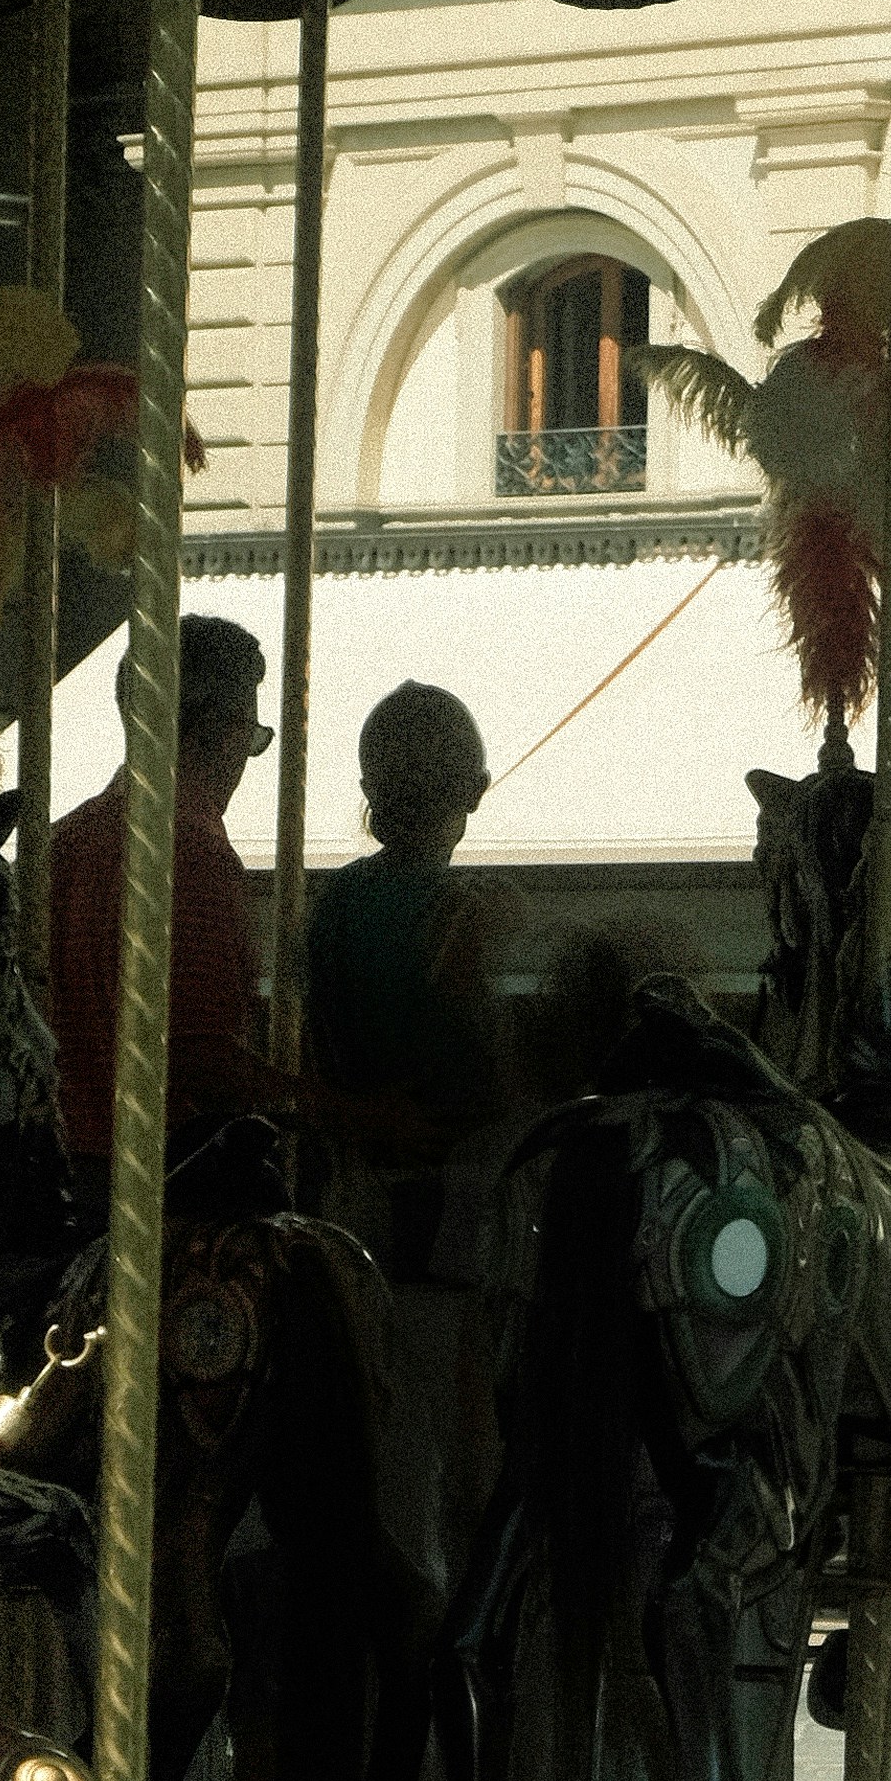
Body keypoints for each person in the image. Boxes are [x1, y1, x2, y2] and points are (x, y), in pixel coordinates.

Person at [303, 683, 508, 1606]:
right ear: (470, 790)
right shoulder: (460, 915)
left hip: (349, 1197)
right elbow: (476, 1066)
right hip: (450, 1207)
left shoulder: (337, 903)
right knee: (450, 1451)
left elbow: (320, 1045)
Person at [45, 613, 269, 1163]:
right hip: (161, 1169)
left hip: (63, 1154)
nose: (247, 757)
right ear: (214, 731)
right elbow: (202, 1061)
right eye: (250, 734)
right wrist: (331, 1107)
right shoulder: (189, 855)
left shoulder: (63, 841)